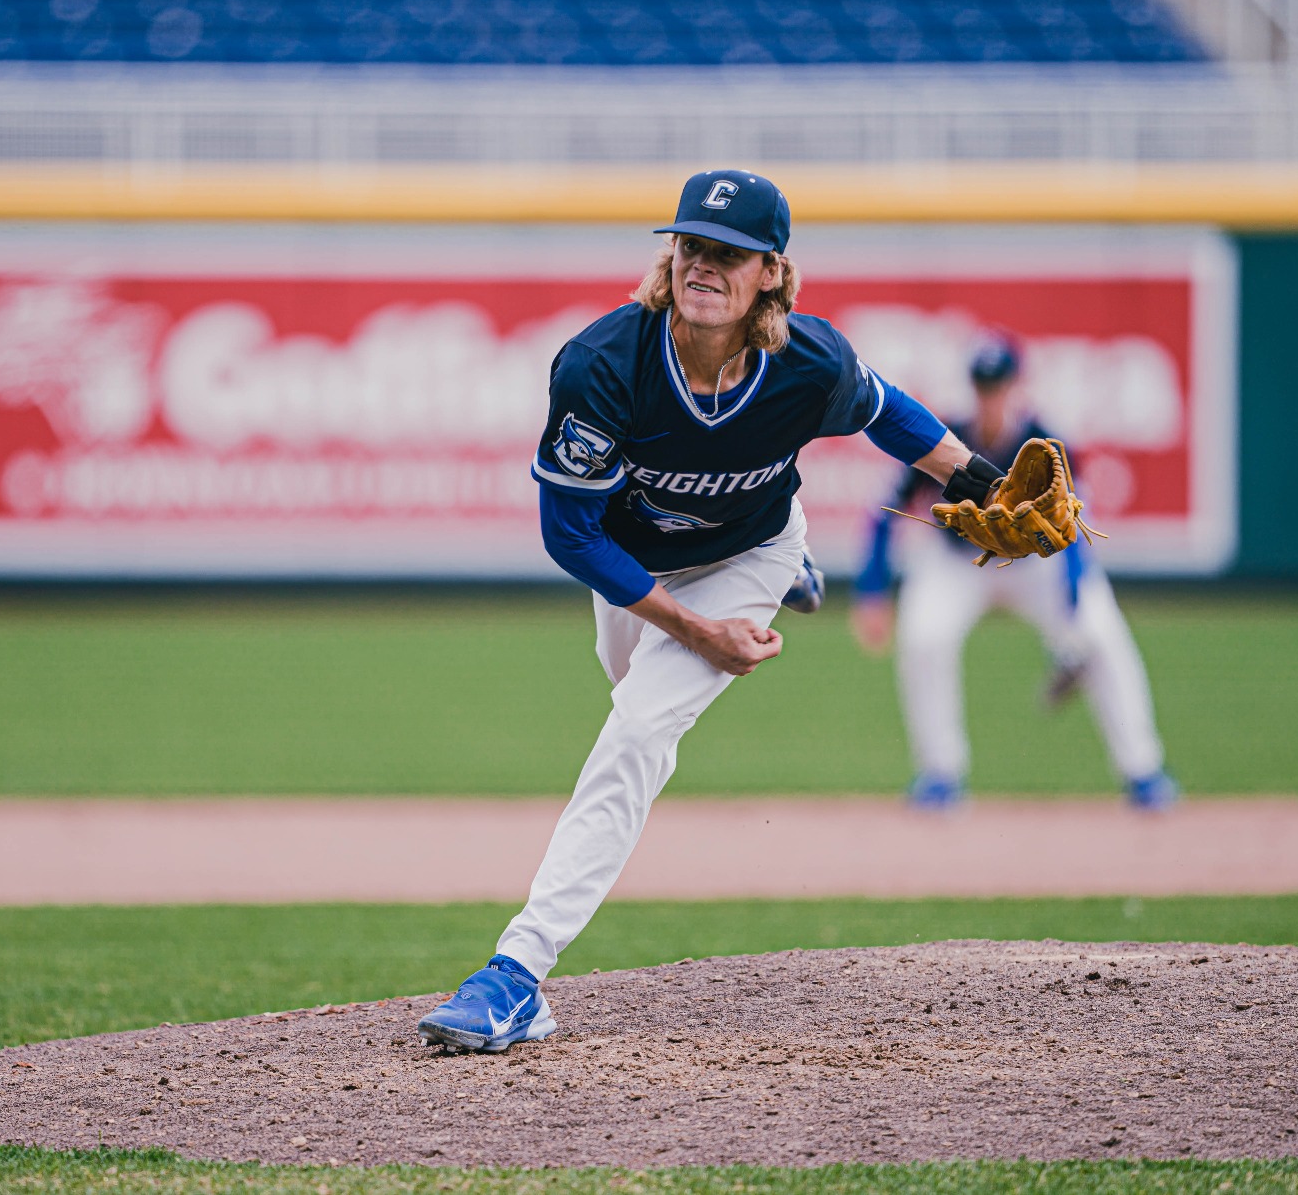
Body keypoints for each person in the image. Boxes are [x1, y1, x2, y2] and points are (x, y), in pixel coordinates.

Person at [417, 169, 1015, 1054]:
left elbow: (887, 413)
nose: (705, 264)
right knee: (630, 688)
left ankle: (515, 976)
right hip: (637, 571)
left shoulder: (807, 362)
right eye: (692, 244)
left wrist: (978, 479)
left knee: (636, 732)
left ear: (770, 271)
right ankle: (798, 579)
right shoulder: (602, 366)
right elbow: (570, 535)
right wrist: (696, 630)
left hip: (748, 552)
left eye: (729, 253)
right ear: (670, 256)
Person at [850, 335, 1178, 811]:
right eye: (983, 386)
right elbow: (883, 512)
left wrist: (1072, 606)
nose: (991, 396)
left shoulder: (1047, 446)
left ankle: (1143, 771)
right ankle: (940, 773)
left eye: (999, 385)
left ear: (1017, 386)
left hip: (1036, 566)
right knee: (924, 638)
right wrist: (872, 590)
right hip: (957, 563)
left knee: (1101, 635)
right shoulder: (948, 439)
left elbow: (1074, 535)